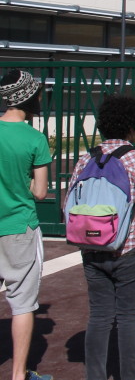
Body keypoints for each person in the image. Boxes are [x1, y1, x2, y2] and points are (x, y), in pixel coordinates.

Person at [68, 94, 135, 380]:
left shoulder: (87, 157)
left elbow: (70, 201)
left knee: (99, 316)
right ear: (134, 126)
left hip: (90, 246)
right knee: (129, 318)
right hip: (129, 247)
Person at [0, 70, 53, 380]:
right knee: (21, 302)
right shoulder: (34, 139)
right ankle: (19, 375)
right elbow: (41, 192)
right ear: (27, 98)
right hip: (20, 227)